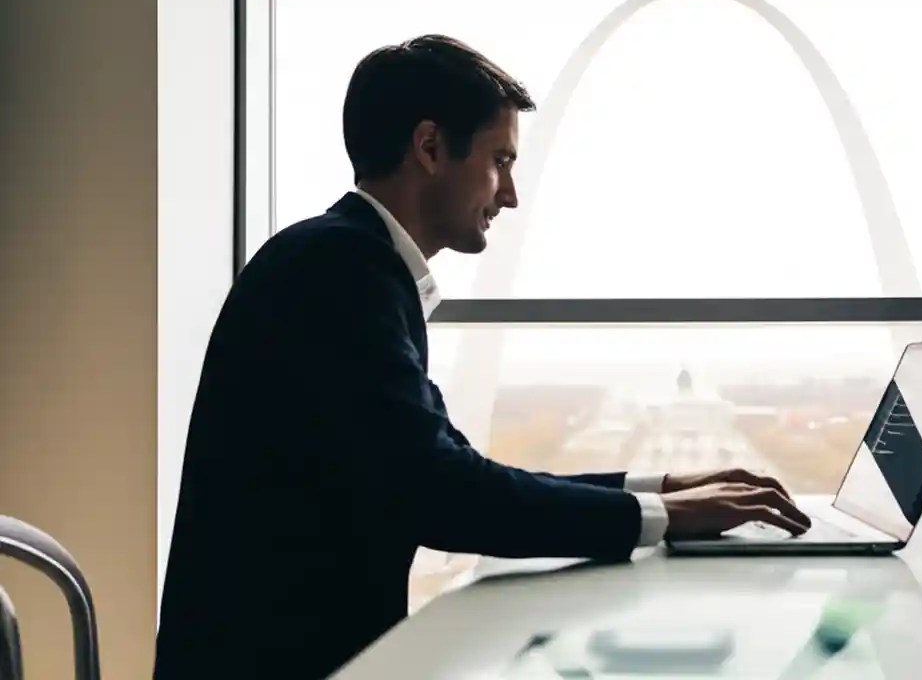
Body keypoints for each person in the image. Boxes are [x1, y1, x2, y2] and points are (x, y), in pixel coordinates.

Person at [153, 34, 811, 680]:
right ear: (431, 148)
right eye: (501, 160)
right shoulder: (342, 271)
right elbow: (442, 493)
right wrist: (665, 517)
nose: (511, 193)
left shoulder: (341, 261)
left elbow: (446, 470)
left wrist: (659, 489)